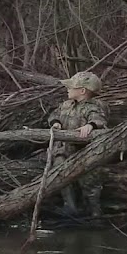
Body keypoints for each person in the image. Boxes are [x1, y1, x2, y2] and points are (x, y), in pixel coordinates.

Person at [46, 71, 109, 217]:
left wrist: (91, 125)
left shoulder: (94, 106)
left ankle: (94, 213)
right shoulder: (66, 105)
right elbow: (54, 115)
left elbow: (99, 118)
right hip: (64, 150)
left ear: (82, 91)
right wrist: (56, 123)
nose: (67, 89)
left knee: (90, 182)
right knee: (60, 171)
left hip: (86, 152)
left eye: (71, 87)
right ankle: (70, 207)